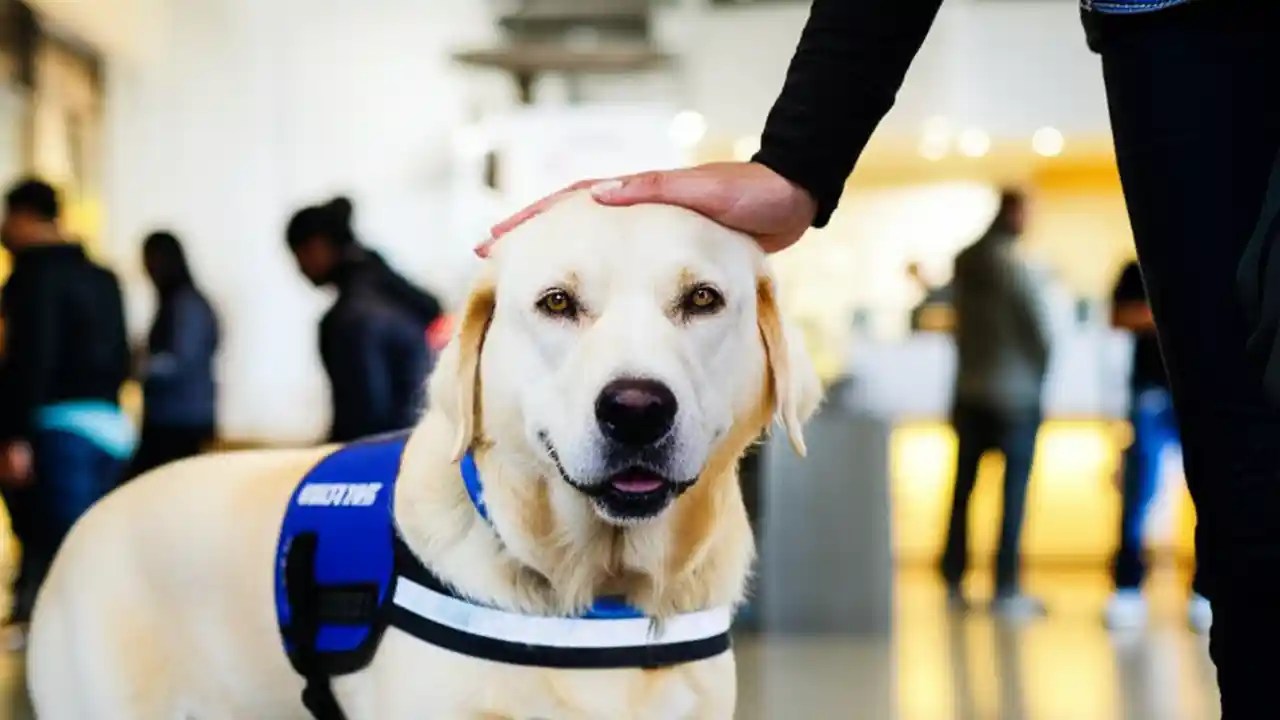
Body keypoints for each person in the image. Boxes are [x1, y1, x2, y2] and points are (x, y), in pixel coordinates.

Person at [485, 1, 1280, 709]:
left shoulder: (977, 264)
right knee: (1255, 509)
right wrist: (800, 157)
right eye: (561, 306)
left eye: (695, 302)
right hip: (1180, 34)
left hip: (1175, 53)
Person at [0, 179, 132, 636]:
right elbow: (121, 354)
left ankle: (68, 648)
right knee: (91, 545)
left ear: (23, 217)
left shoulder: (31, 277)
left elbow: (30, 358)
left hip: (57, 429)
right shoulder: (104, 276)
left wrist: (14, 434)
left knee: (59, 552)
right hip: (111, 428)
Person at [940, 190, 1051, 619]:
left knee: (963, 489)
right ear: (1016, 211)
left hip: (969, 391)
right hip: (1016, 397)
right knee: (1012, 494)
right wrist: (1039, 377)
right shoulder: (1014, 263)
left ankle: (953, 577)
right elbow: (1039, 329)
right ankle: (1006, 586)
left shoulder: (966, 260)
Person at [1105, 260, 1210, 632]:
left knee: (1210, 493)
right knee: (1138, 492)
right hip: (1150, 392)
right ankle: (1128, 586)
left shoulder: (1209, 262)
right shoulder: (1138, 270)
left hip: (1201, 395)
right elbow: (1119, 317)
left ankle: (1205, 589)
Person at [286, 197, 441, 442]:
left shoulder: (351, 319)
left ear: (317, 247)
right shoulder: (393, 293)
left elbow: (362, 420)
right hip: (423, 447)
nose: (299, 268)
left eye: (298, 256)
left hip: (387, 457)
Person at [128, 231, 220, 478]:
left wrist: (138, 367)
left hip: (178, 418)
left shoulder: (185, 305)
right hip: (181, 414)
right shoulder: (184, 303)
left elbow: (180, 361)